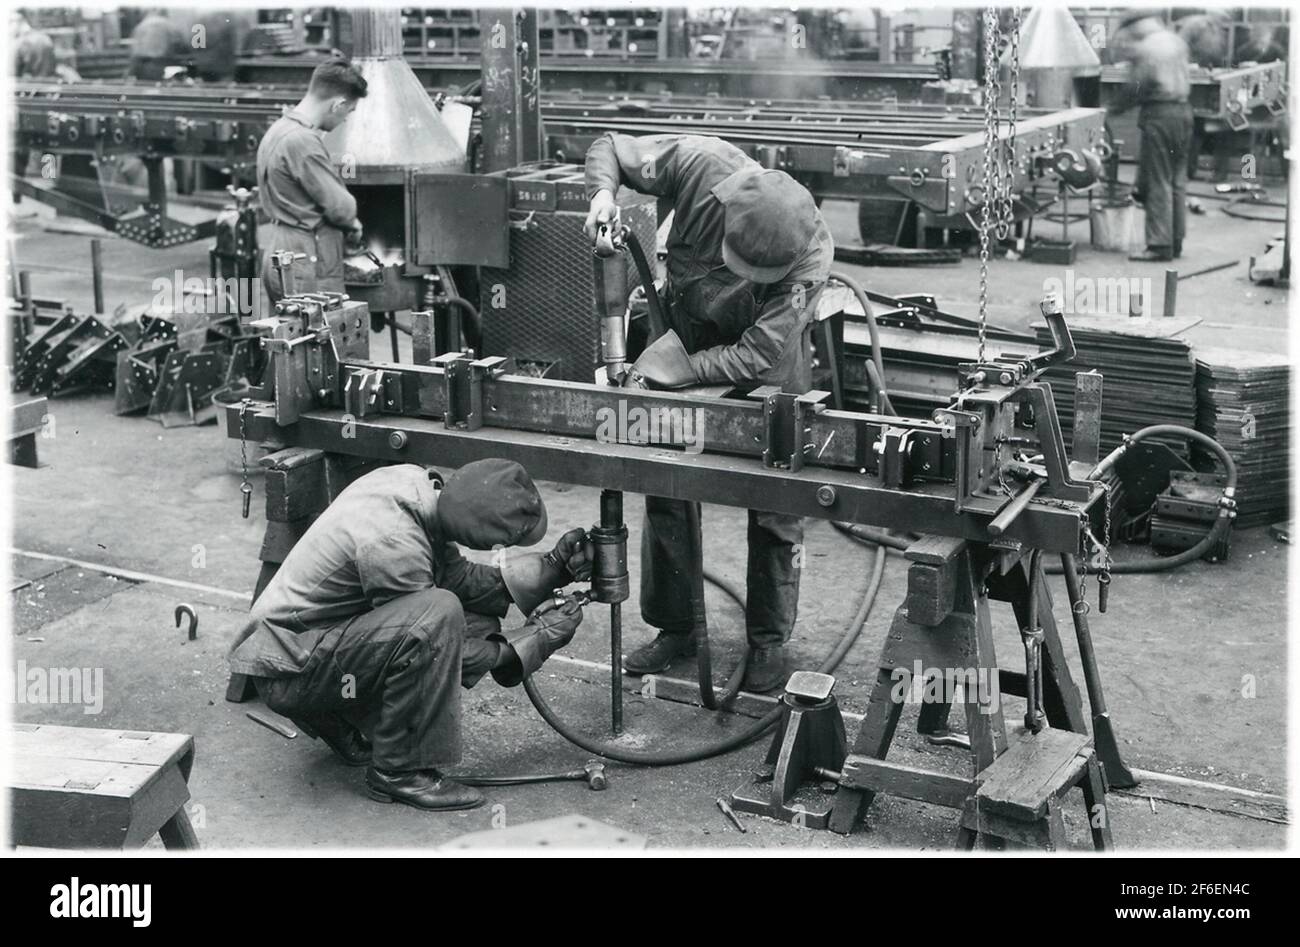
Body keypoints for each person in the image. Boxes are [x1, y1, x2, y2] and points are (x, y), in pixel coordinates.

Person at [583, 133, 833, 692]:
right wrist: (602, 195)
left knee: (774, 498)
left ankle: (768, 641)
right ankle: (678, 628)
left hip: (763, 371)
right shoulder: (697, 164)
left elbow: (757, 353)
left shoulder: (812, 252)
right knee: (668, 482)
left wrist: (682, 368)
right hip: (682, 328)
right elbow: (608, 147)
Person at [227, 459, 593, 812]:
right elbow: (427, 639)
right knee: (439, 613)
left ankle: (340, 717)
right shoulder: (394, 540)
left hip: (304, 643)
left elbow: (457, 579)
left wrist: (552, 569)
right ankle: (399, 770)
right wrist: (524, 647)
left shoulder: (416, 487)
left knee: (469, 618)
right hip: (289, 671)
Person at [256, 59, 367, 303]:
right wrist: (355, 225)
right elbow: (342, 209)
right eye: (349, 111)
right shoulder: (303, 142)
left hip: (283, 249)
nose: (346, 119)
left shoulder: (280, 128)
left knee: (291, 336)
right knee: (320, 337)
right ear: (338, 104)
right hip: (305, 260)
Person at [1110, 11, 1193, 262]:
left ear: (1136, 27)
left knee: (1158, 180)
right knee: (1177, 179)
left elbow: (1137, 86)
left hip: (1160, 114)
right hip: (1184, 112)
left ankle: (1159, 245)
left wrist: (1115, 107)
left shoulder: (1147, 49)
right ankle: (1175, 240)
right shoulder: (1175, 41)